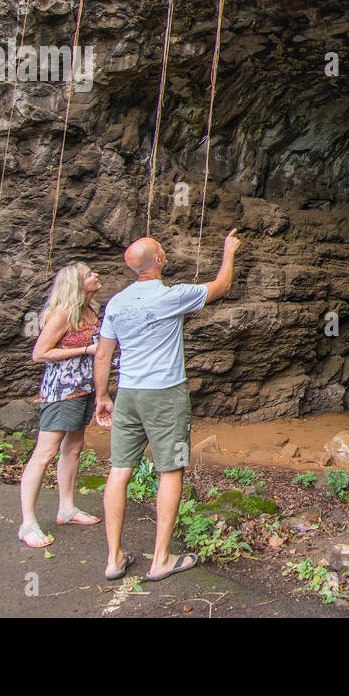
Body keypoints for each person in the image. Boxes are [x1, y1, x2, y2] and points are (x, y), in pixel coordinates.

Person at [93, 228, 242, 581]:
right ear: (159, 261)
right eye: (162, 251)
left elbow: (103, 354)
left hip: (128, 393)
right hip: (164, 394)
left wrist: (102, 397)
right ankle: (160, 558)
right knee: (170, 470)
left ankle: (114, 558)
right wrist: (229, 251)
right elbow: (221, 286)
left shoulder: (116, 302)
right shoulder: (170, 296)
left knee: (119, 470)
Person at [19, 262, 104, 548]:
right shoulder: (62, 314)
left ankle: (66, 508)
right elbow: (39, 353)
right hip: (61, 391)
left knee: (73, 448)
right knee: (44, 454)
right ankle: (27, 523)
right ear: (77, 285)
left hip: (85, 388)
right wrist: (84, 350)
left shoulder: (91, 310)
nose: (96, 276)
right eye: (90, 275)